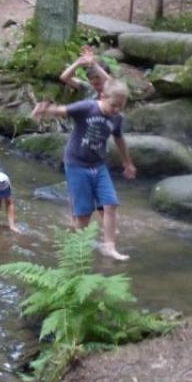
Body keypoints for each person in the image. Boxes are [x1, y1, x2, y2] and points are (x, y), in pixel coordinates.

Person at [31, 80, 137, 260]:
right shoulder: (87, 108)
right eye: (114, 105)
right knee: (84, 215)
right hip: (76, 165)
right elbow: (63, 110)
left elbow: (119, 140)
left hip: (98, 165)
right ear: (103, 96)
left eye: (120, 106)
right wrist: (45, 109)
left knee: (110, 204)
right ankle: (78, 250)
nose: (116, 109)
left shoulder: (117, 118)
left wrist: (128, 162)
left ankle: (109, 247)